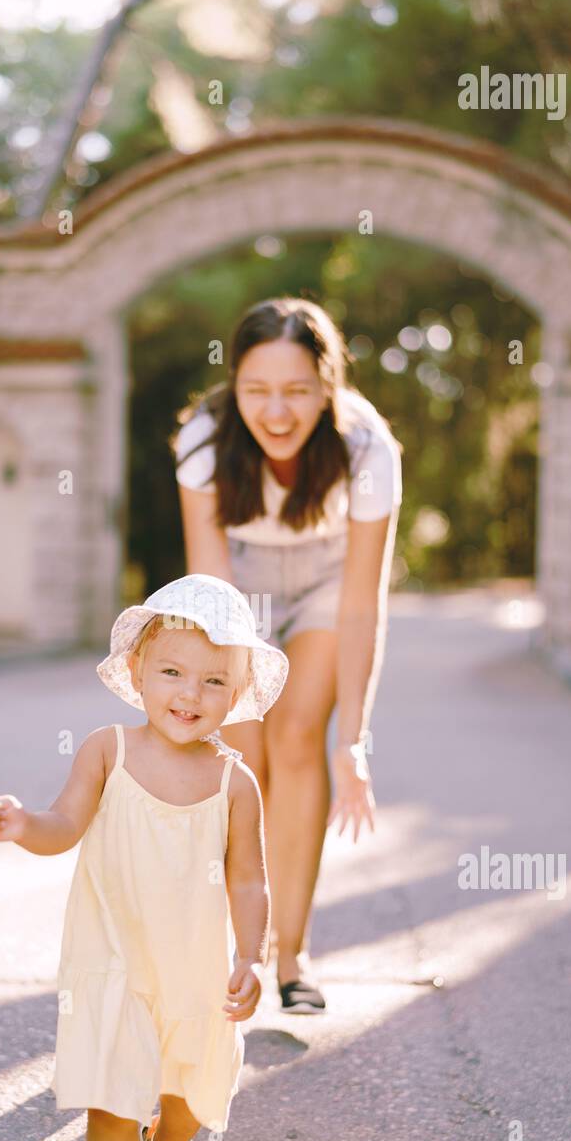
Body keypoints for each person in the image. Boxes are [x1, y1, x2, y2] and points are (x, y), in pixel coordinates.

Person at [0, 574, 288, 1141]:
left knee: (187, 1092)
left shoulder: (236, 782)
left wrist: (252, 957)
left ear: (236, 694)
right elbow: (63, 826)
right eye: (172, 672)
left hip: (196, 971)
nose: (189, 694)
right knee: (112, 1096)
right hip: (112, 960)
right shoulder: (107, 750)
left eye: (213, 681)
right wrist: (24, 822)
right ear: (138, 671)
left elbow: (249, 878)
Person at [171, 296, 402, 1014]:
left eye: (297, 390)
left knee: (300, 735)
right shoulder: (206, 441)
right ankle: (243, 950)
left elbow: (363, 605)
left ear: (328, 385)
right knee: (245, 755)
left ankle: (293, 957)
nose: (276, 412)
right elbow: (213, 595)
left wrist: (354, 741)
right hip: (239, 589)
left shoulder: (369, 450)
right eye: (256, 390)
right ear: (233, 384)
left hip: (328, 582)